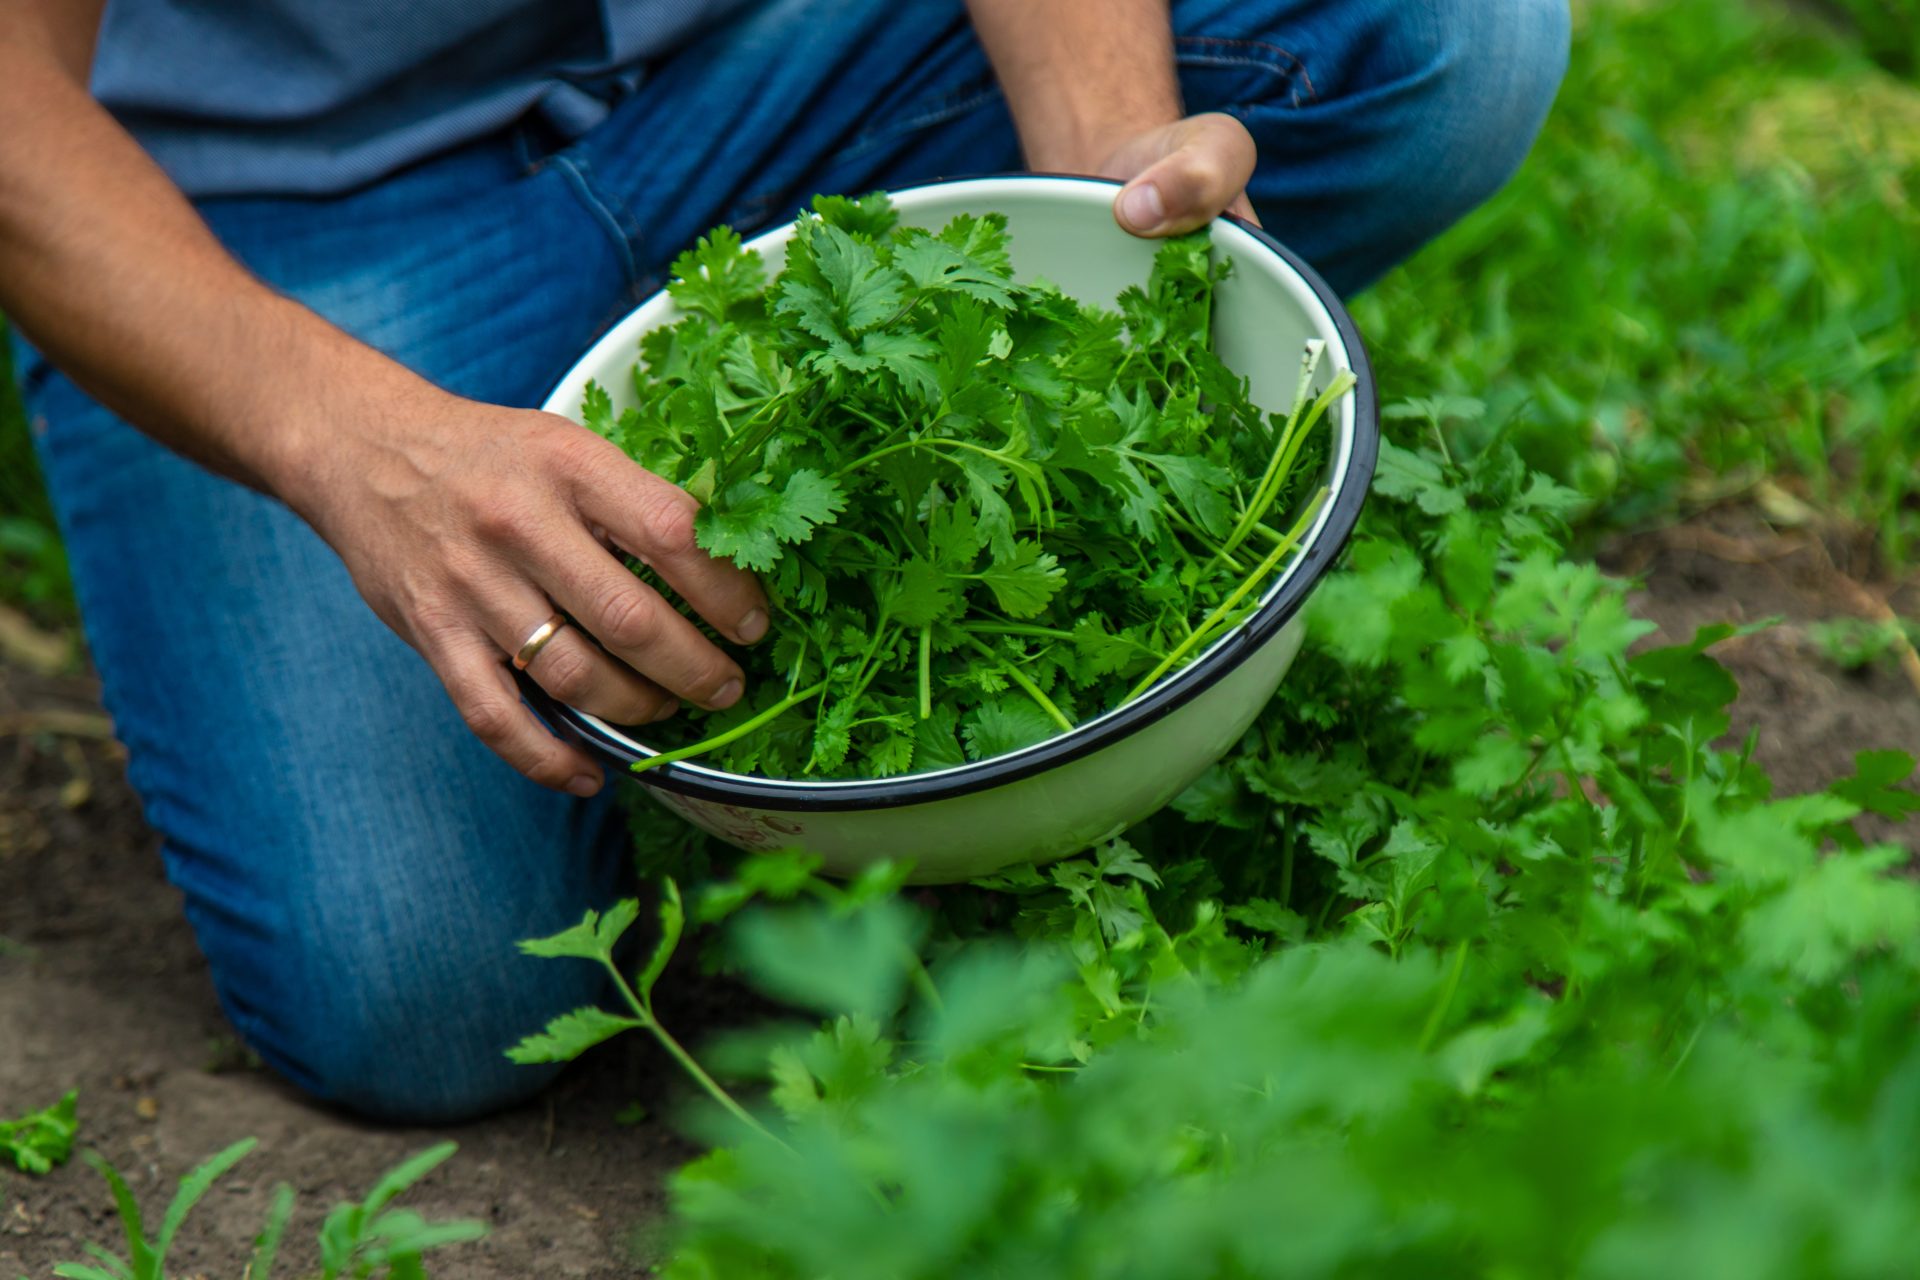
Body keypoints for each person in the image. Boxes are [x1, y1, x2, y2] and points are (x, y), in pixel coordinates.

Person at [0, 0, 1569, 1121]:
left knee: (1439, 36)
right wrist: (353, 449)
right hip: (289, 221)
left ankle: (671, 551)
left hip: (768, 69)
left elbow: (1127, 165)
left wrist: (1097, 189)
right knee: (433, 998)